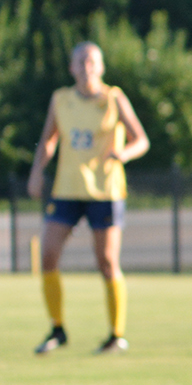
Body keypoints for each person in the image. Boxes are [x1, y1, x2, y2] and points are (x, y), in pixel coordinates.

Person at [27, 41, 150, 356]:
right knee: (48, 255)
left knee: (106, 261)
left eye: (92, 61)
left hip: (104, 190)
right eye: (80, 61)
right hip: (68, 188)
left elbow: (141, 141)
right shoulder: (61, 99)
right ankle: (57, 328)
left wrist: (123, 153)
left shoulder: (113, 98)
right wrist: (37, 171)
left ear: (102, 67)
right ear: (71, 67)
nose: (86, 67)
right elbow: (48, 141)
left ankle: (115, 334)